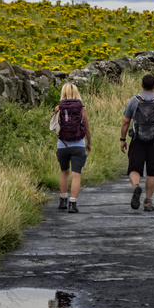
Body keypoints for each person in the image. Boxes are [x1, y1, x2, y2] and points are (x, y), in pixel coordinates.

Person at [120, 73, 154, 212]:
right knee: (152, 172)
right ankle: (148, 202)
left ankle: (136, 186)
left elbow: (126, 121)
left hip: (137, 140)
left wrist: (123, 139)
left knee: (134, 169)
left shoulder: (134, 100)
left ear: (142, 85)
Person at [52, 83, 92, 213]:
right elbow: (87, 129)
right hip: (78, 145)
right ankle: (72, 204)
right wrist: (89, 143)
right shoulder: (82, 108)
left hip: (62, 145)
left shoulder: (58, 108)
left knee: (64, 172)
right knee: (76, 175)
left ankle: (63, 200)